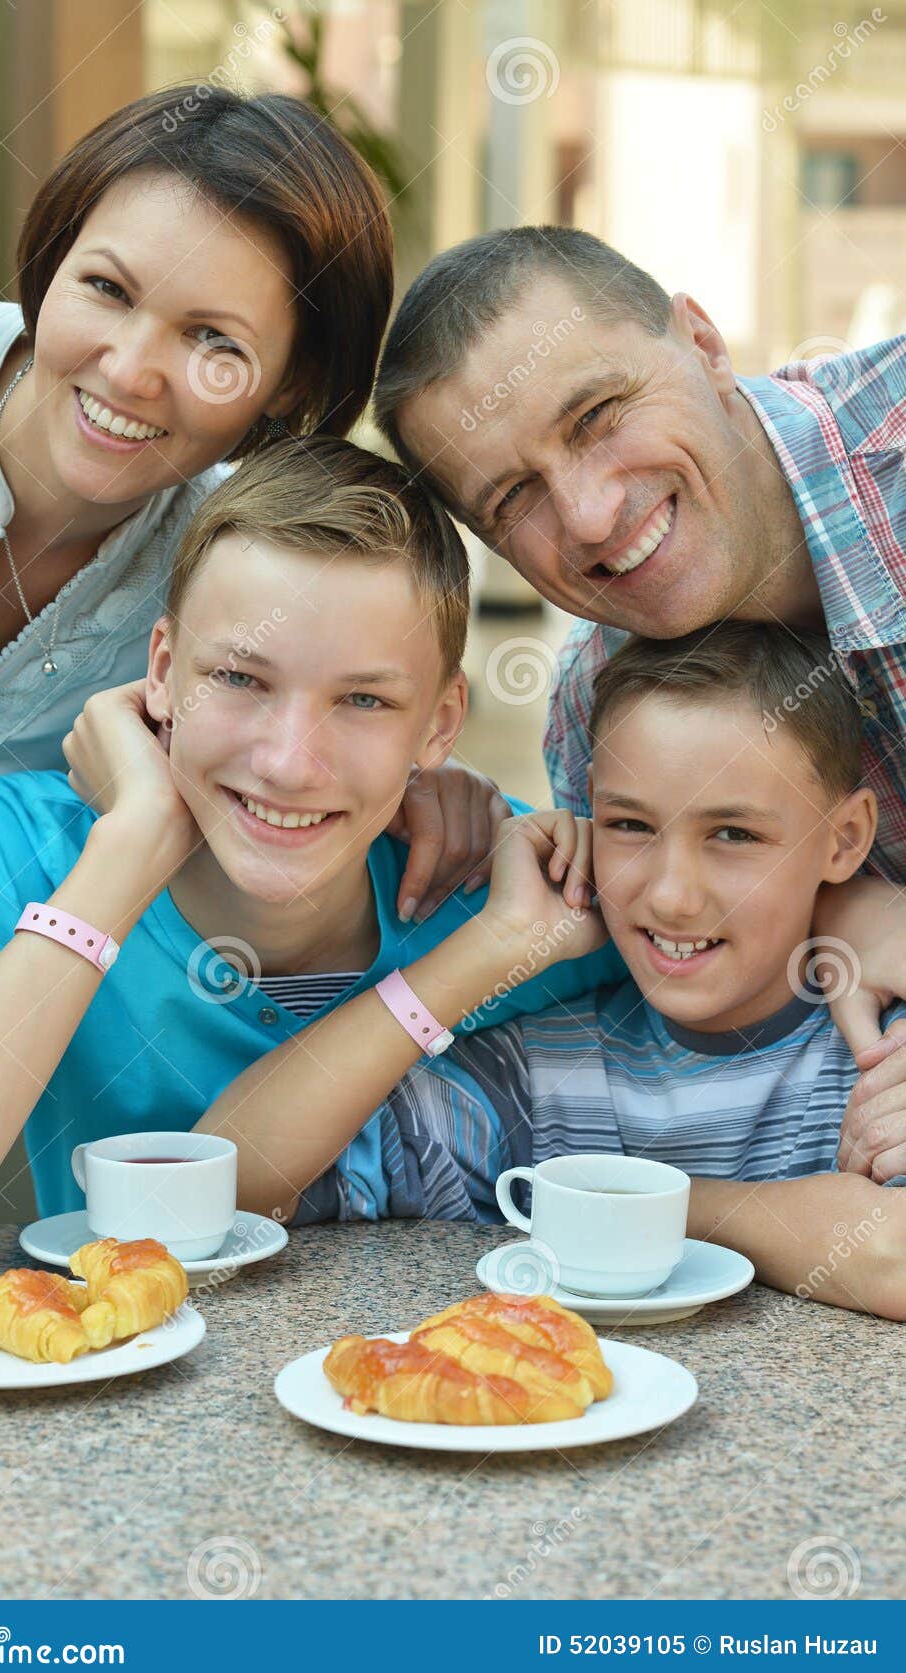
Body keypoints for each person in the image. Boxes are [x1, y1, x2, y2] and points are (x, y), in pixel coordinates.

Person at [0, 438, 621, 1288]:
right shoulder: (22, 847)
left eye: (363, 701)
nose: (290, 762)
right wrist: (130, 848)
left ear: (438, 725)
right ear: (165, 671)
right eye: (242, 680)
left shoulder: (521, 899)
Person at [0, 82, 491, 1089]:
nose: (132, 368)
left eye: (213, 341)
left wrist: (415, 774)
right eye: (106, 288)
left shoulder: (222, 582)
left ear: (292, 385)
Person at [193, 621, 906, 1319]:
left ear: (843, 840)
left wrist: (622, 1203)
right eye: (629, 825)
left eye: (732, 835)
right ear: (587, 810)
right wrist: (497, 942)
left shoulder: (879, 1052)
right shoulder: (535, 1074)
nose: (669, 894)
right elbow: (223, 1189)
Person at [372, 225, 906, 1054]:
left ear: (702, 343)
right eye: (514, 498)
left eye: (596, 417)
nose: (587, 516)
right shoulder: (596, 713)